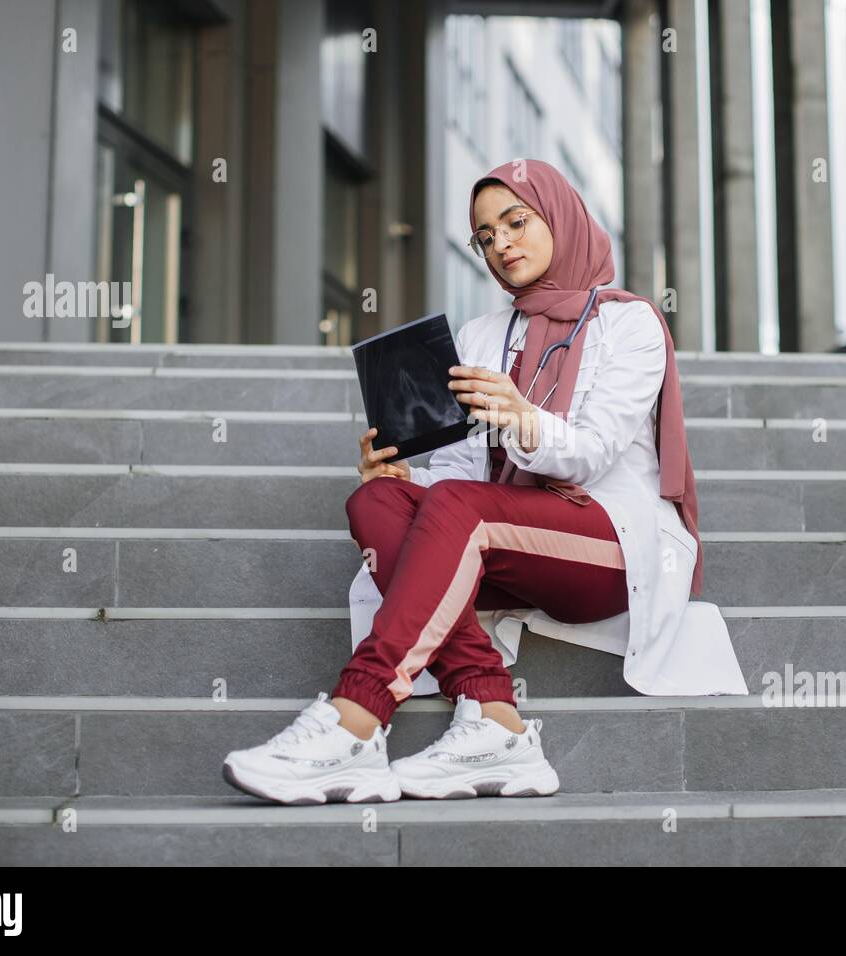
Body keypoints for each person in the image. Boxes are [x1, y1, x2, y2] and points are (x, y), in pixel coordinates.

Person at [222, 158, 705, 805]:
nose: (501, 244)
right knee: (379, 499)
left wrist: (521, 416)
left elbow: (591, 455)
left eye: (515, 221)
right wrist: (402, 475)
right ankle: (492, 714)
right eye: (485, 236)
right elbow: (457, 477)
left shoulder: (630, 323)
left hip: (608, 543)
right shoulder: (481, 336)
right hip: (505, 531)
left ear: (559, 217)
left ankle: (356, 718)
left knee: (456, 508)